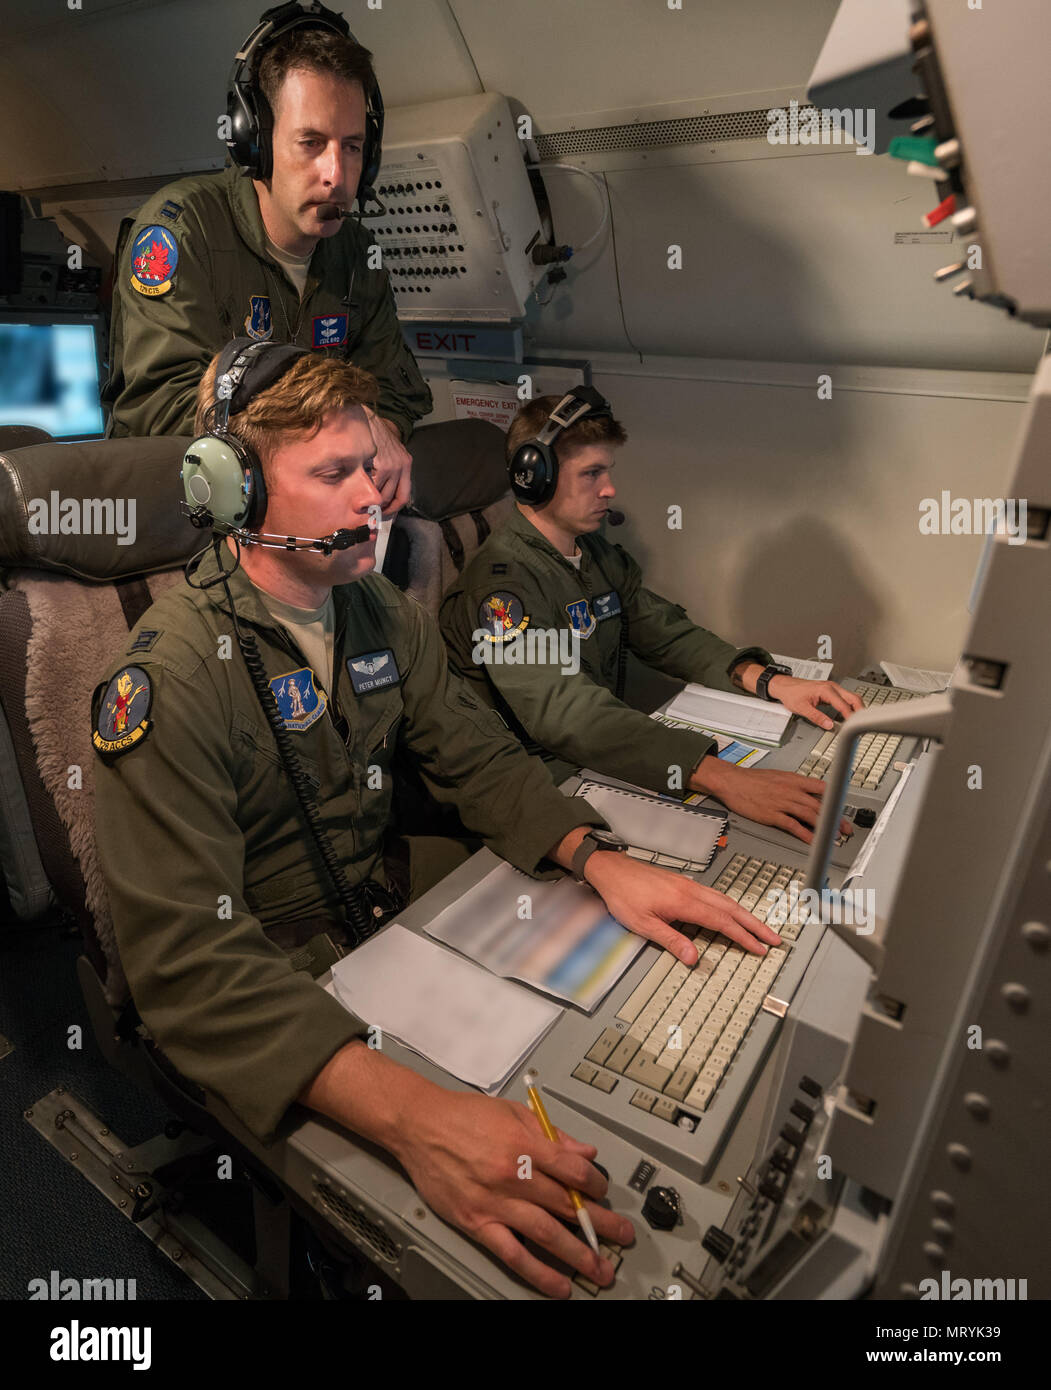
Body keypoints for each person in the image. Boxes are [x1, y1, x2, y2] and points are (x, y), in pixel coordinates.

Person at [91, 343, 781, 1299]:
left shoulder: (371, 607)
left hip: (378, 912)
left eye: (369, 469)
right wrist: (418, 1121)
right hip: (258, 971)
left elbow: (478, 756)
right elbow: (188, 965)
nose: (370, 499)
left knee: (599, 1024)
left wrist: (594, 856)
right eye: (331, 476)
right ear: (232, 496)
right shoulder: (167, 681)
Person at [440, 390, 862, 844]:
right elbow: (567, 713)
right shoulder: (503, 592)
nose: (609, 489)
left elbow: (666, 634)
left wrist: (768, 680)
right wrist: (721, 776)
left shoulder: (592, 553)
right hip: (537, 782)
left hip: (592, 755)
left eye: (607, 471)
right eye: (591, 474)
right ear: (534, 478)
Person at [104, 4, 429, 516]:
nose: (336, 175)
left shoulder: (356, 254)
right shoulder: (179, 230)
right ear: (254, 141)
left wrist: (383, 426)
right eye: (311, 143)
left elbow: (396, 387)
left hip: (310, 521)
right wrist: (341, 425)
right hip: (183, 511)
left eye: (352, 147)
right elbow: (163, 407)